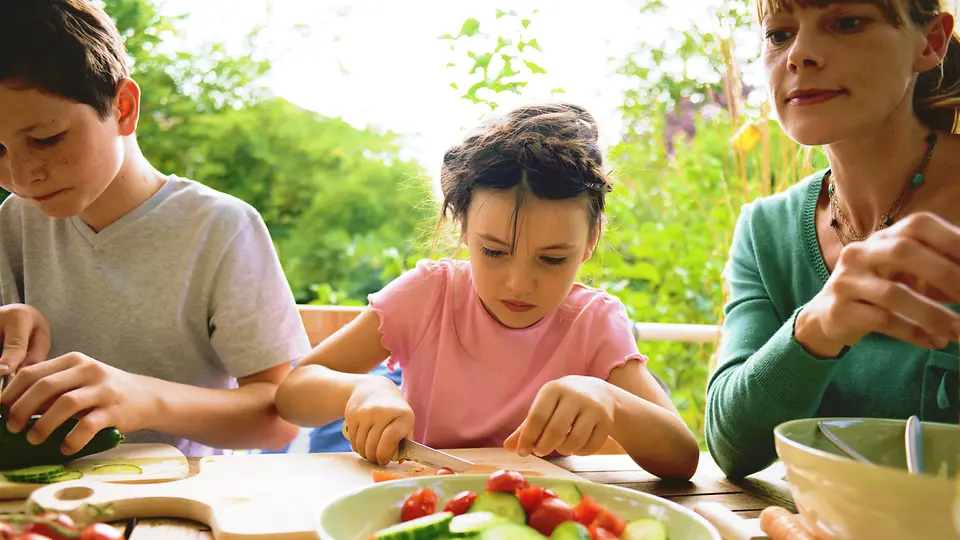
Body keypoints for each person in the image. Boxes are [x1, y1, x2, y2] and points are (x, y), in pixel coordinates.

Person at [276, 102, 700, 480]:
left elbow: (682, 459)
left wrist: (612, 401)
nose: (519, 284)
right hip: (421, 505)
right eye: (494, 251)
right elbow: (293, 395)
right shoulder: (428, 295)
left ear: (590, 241)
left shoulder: (594, 321)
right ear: (464, 229)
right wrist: (362, 388)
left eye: (552, 260)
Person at [0, 0, 310, 457]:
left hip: (186, 506)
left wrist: (146, 400)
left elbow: (279, 418)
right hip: (48, 508)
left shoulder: (221, 228)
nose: (23, 177)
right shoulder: (11, 224)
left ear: (123, 108)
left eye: (46, 139)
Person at [706, 0, 960, 478]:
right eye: (779, 34)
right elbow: (731, 446)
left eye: (846, 22)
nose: (800, 54)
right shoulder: (765, 231)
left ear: (930, 42)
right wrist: (818, 326)